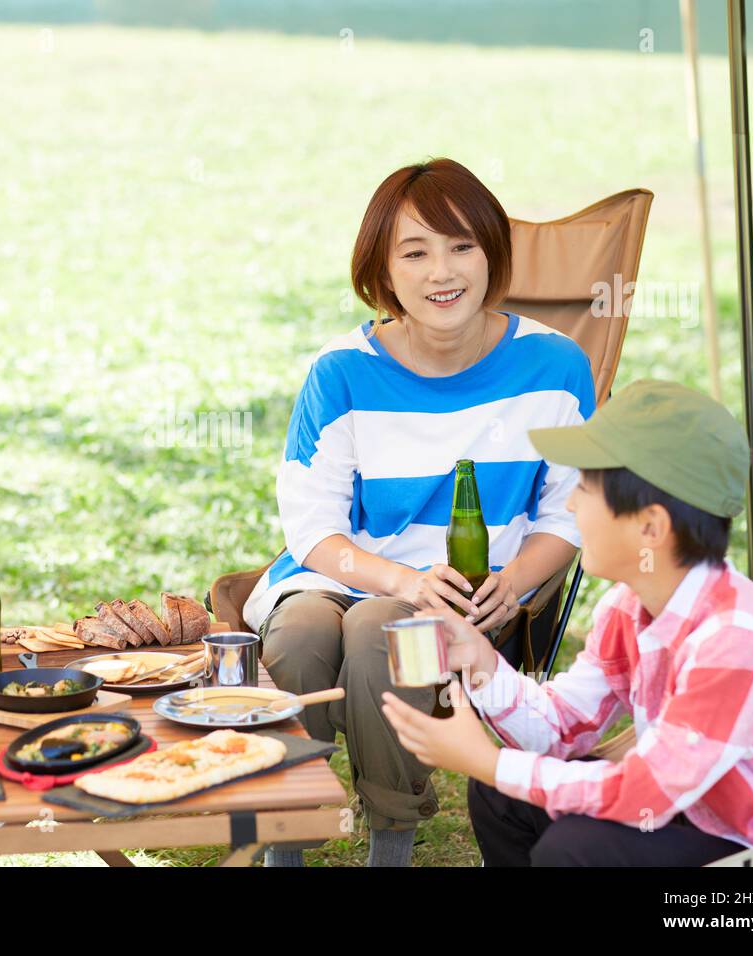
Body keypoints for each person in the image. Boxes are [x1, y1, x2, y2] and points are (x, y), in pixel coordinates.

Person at [244, 159, 596, 866]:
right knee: (304, 633)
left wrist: (518, 580)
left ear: (492, 253)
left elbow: (573, 511)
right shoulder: (340, 371)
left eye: (462, 246)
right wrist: (401, 581)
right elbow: (313, 529)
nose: (443, 271)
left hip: (469, 593)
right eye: (416, 252)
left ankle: (391, 845)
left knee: (381, 630)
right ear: (382, 270)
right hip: (340, 574)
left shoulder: (555, 366)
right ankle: (285, 843)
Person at [381, 380, 753, 866]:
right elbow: (562, 729)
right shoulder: (631, 606)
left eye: (585, 488)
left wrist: (489, 761)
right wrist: (479, 660)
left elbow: (645, 791)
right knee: (504, 797)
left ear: (650, 527)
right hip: (697, 810)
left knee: (576, 848)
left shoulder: (733, 639)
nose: (570, 505)